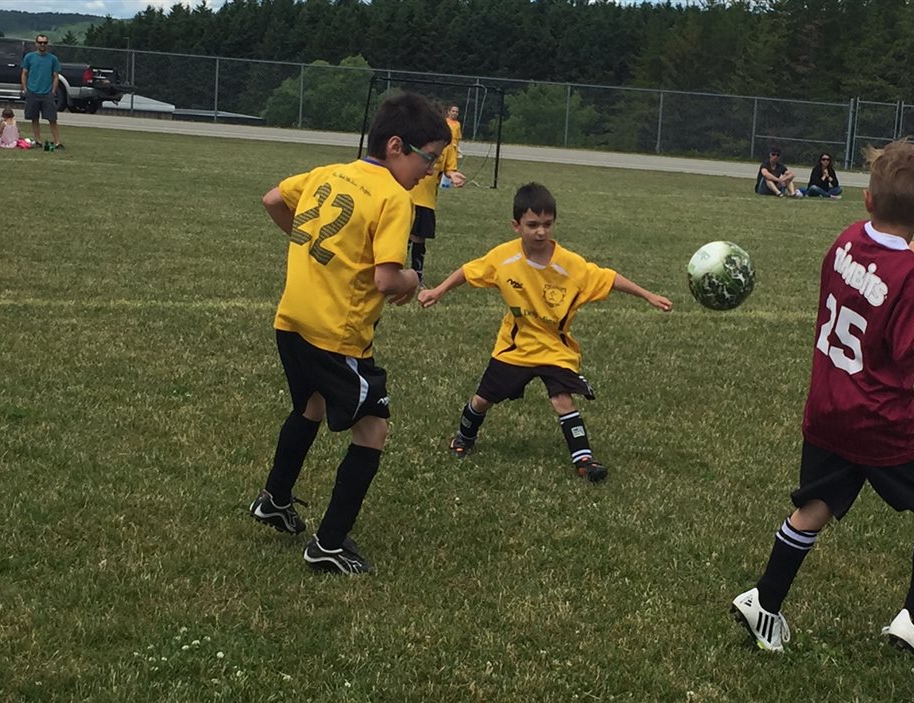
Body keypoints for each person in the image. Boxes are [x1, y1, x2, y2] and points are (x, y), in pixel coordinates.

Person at [731, 139, 914, 675]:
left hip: (828, 404)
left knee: (815, 506)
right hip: (878, 417)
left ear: (868, 199)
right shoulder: (912, 275)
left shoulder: (846, 238)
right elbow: (909, 353)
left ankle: (765, 601)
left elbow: (865, 278)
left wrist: (902, 255)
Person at [248, 92, 451, 575]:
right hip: (335, 334)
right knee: (373, 429)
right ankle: (329, 544)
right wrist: (412, 279)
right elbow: (386, 279)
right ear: (396, 146)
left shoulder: (328, 173)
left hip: (291, 321)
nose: (431, 171)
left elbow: (273, 199)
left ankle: (275, 499)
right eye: (428, 159)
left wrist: (315, 248)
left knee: (311, 405)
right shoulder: (393, 197)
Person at [417, 182, 673, 482]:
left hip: (554, 347)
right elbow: (469, 271)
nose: (541, 232)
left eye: (547, 224)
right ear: (516, 226)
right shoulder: (503, 258)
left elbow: (609, 278)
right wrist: (438, 290)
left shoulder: (569, 264)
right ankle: (464, 437)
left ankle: (584, 460)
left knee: (562, 399)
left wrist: (648, 295)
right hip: (516, 347)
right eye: (532, 225)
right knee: (483, 399)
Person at [408, 139, 465, 286]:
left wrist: (453, 175)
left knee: (419, 238)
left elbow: (449, 168)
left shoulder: (447, 144)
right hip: (405, 196)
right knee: (401, 236)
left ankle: (417, 275)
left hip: (425, 200)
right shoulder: (415, 135)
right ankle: (393, 271)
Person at [20, 34, 62, 149]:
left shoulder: (53, 59)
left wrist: (53, 91)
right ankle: (38, 140)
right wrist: (25, 88)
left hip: (47, 93)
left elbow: (56, 76)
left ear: (47, 44)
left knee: (52, 118)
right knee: (34, 118)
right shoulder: (29, 57)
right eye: (40, 42)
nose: (42, 44)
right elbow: (24, 73)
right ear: (36, 44)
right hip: (32, 91)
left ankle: (57, 142)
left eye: (44, 42)